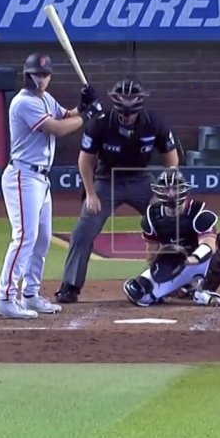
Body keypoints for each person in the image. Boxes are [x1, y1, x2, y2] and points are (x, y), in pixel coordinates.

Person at [0, 53, 103, 319]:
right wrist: (88, 115)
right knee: (24, 237)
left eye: (44, 75)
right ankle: (5, 298)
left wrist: (82, 105)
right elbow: (57, 128)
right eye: (36, 75)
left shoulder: (45, 99)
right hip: (23, 176)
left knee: (42, 240)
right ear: (27, 75)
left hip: (40, 179)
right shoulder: (24, 102)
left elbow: (66, 115)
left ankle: (30, 294)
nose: (41, 79)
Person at [55, 79, 179, 304]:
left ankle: (172, 282)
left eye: (131, 106)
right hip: (106, 180)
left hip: (141, 178)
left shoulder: (154, 122)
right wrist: (90, 193)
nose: (127, 116)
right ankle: (70, 285)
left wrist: (164, 190)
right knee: (83, 230)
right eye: (123, 107)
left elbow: (172, 159)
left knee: (171, 220)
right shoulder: (100, 123)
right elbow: (85, 160)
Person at [122, 168, 220, 308]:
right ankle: (182, 289)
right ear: (158, 191)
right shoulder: (151, 217)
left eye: (175, 188)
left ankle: (204, 290)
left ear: (184, 189)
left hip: (203, 263)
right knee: (139, 293)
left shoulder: (198, 213)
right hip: (173, 266)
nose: (170, 194)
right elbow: (151, 255)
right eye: (166, 189)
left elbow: (208, 246)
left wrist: (190, 260)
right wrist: (163, 275)